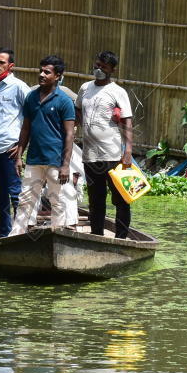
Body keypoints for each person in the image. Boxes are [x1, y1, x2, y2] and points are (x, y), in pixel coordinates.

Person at [10, 56, 77, 235]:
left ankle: (58, 233)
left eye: (47, 72)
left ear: (58, 76)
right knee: (25, 199)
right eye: (41, 71)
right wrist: (19, 156)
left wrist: (65, 165)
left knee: (57, 200)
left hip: (56, 160)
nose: (41, 75)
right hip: (34, 158)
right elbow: (25, 129)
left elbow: (70, 135)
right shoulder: (31, 97)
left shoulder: (64, 101)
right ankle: (16, 234)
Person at [76, 51, 135, 238]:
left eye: (104, 67)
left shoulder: (118, 92)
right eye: (98, 64)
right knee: (95, 200)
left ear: (112, 70)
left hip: (113, 156)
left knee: (121, 199)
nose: (99, 69)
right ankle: (97, 236)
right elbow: (77, 110)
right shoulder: (85, 88)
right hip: (90, 156)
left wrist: (128, 152)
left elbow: (127, 122)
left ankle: (121, 238)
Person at [0, 48, 27, 238]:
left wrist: (21, 147)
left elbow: (32, 116)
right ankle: (5, 233)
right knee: (0, 194)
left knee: (15, 194)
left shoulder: (19, 86)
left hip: (10, 148)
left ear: (11, 66)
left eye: (2, 62)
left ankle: (19, 234)